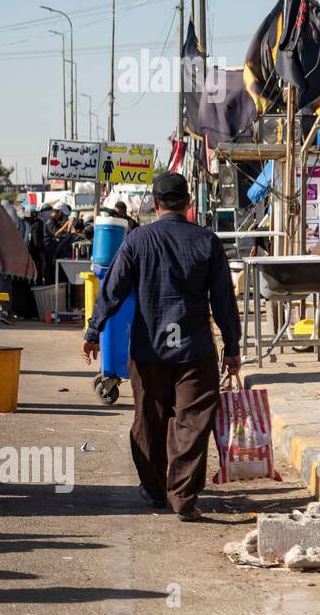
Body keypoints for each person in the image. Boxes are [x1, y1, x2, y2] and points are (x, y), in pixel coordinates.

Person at [82, 172, 241, 521]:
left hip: (148, 350)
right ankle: (183, 496)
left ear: (155, 204)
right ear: (188, 204)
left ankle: (154, 490)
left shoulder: (138, 240)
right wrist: (232, 347)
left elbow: (113, 288)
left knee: (148, 421)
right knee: (192, 422)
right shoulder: (208, 241)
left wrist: (94, 330)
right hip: (195, 351)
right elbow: (224, 300)